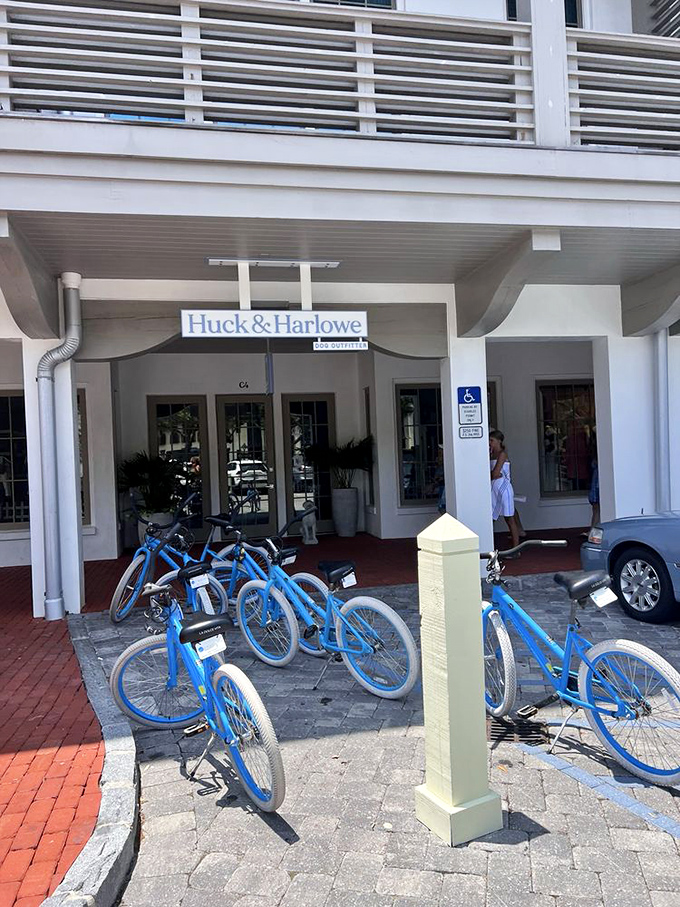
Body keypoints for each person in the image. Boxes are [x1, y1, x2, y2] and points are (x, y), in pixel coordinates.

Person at [489, 430, 520, 550]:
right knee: (491, 517)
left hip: (503, 488)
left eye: (492, 441)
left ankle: (515, 548)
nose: (490, 443)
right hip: (493, 489)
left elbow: (496, 473)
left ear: (499, 441)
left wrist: (492, 474)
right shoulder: (491, 454)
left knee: (509, 518)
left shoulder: (502, 454)